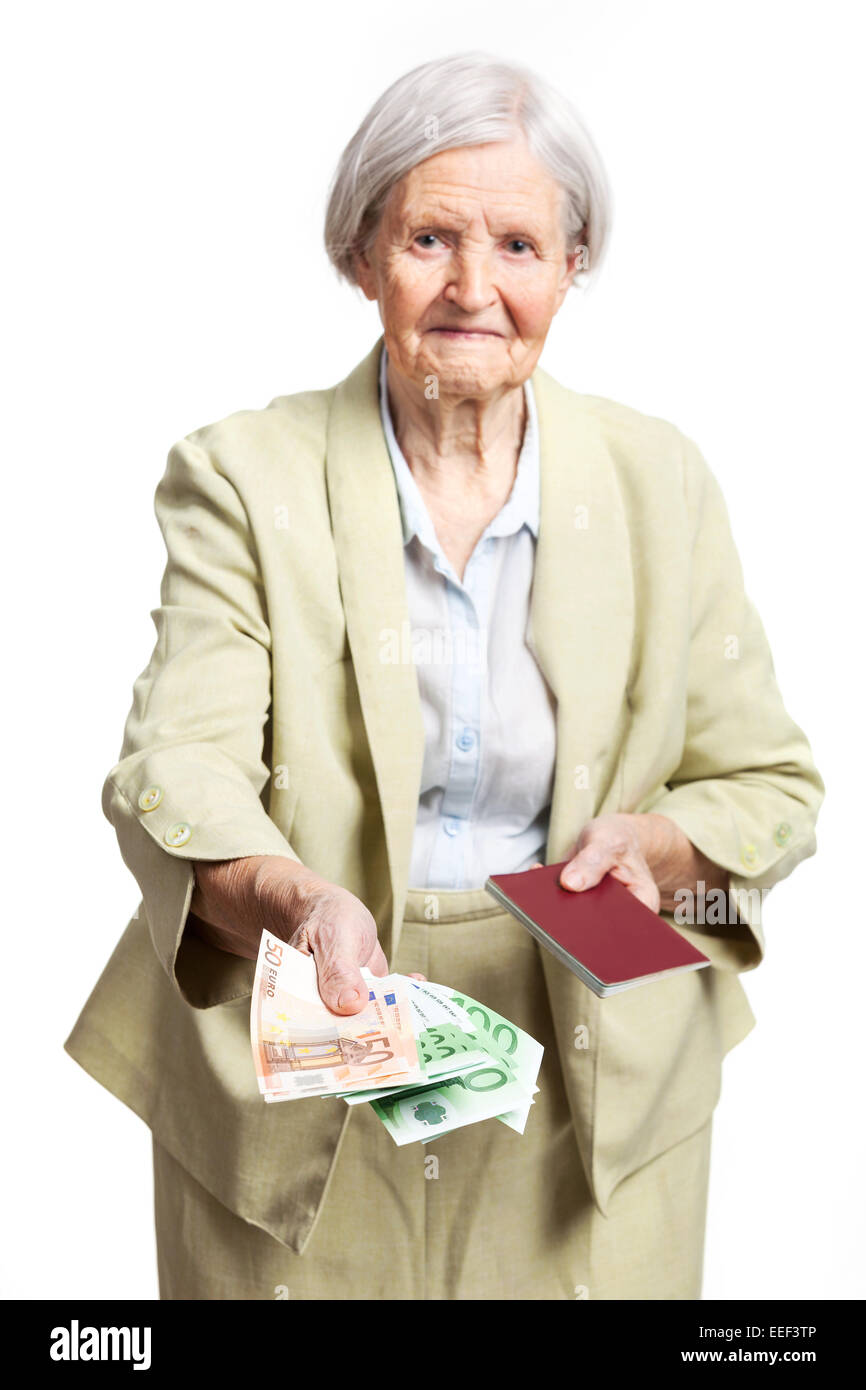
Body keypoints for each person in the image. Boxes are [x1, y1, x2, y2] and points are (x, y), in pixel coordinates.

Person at [65, 51, 824, 1300]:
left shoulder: (660, 480)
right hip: (303, 1044)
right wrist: (298, 901)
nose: (475, 288)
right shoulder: (242, 477)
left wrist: (659, 857)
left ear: (572, 266)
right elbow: (178, 761)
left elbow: (765, 779)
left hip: (591, 1070)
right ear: (360, 255)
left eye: (519, 246)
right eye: (429, 237)